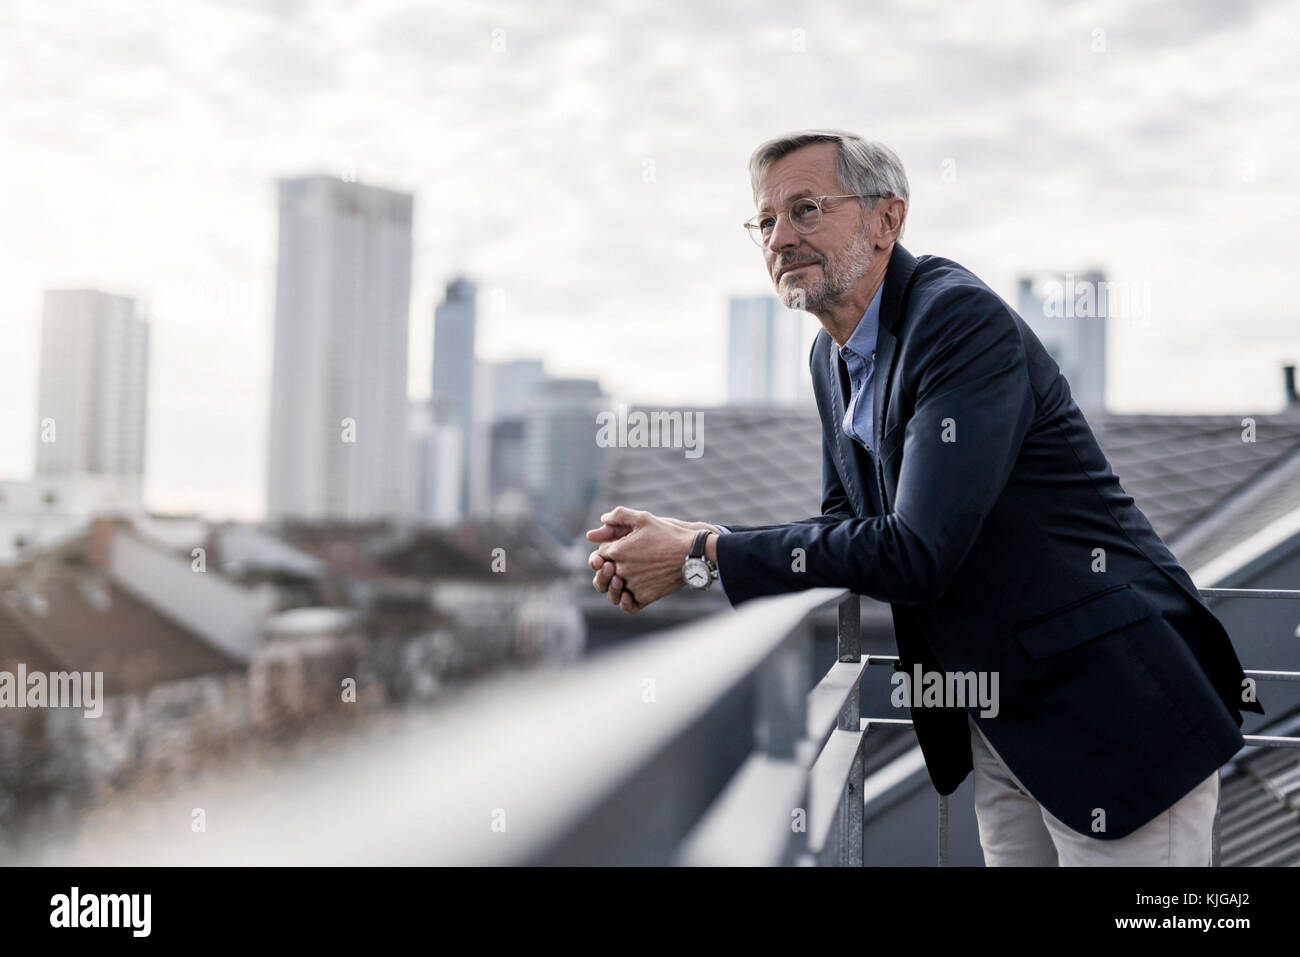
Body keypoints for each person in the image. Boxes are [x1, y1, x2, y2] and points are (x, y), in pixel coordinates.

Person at [586, 129, 1263, 865]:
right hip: (1005, 721)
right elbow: (848, 525)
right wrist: (701, 535)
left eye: (807, 209)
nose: (781, 237)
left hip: (1112, 713)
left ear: (887, 221)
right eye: (766, 221)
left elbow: (916, 550)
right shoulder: (830, 354)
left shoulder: (956, 321)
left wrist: (702, 555)